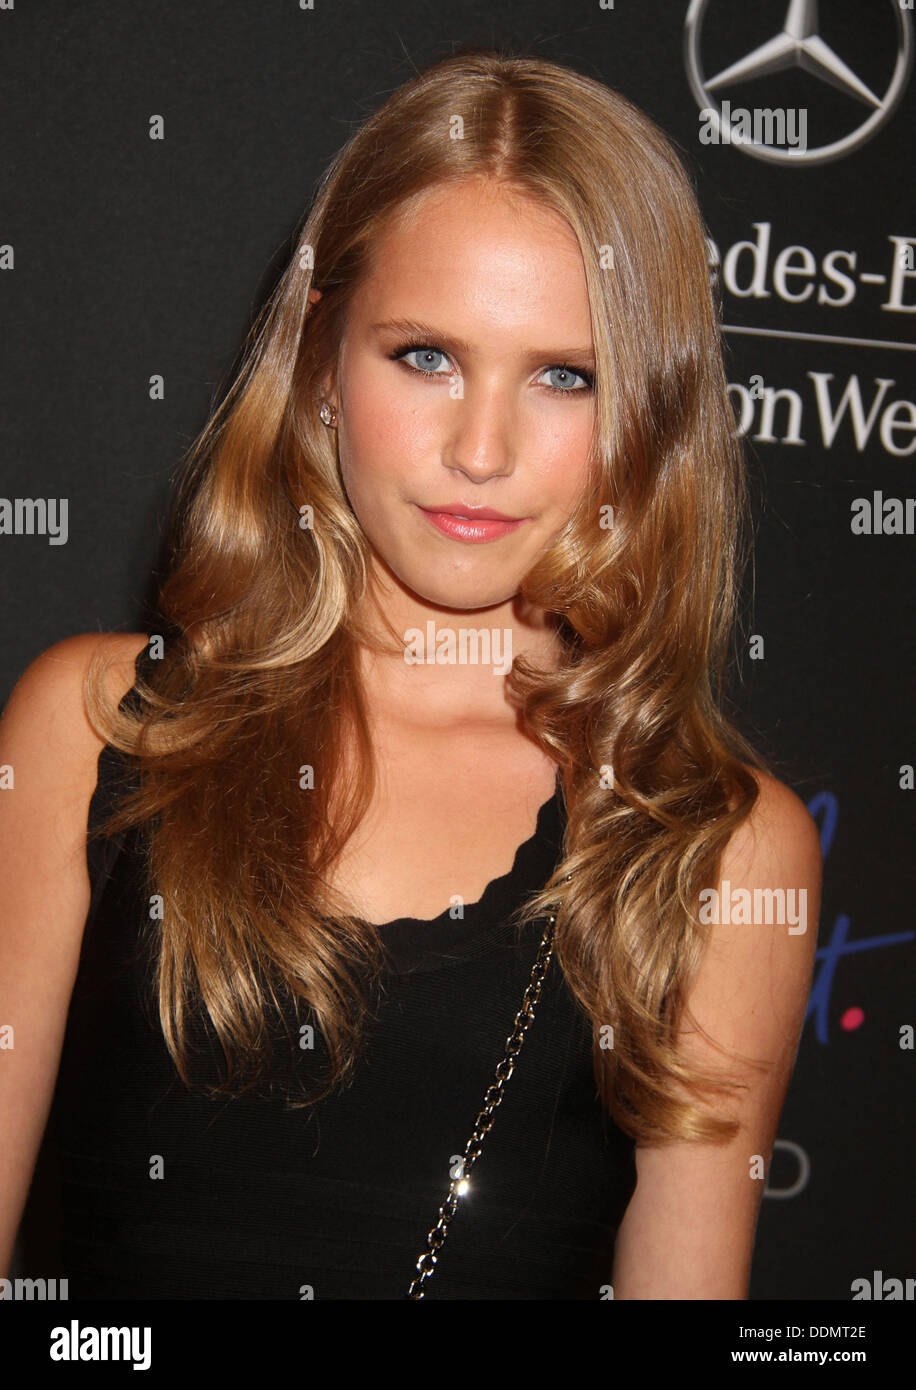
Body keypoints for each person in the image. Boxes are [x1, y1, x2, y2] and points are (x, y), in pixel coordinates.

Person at [0, 48, 822, 1300]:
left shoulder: (715, 844)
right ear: (321, 364)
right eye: (425, 355)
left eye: (564, 376)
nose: (479, 449)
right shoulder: (94, 727)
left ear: (647, 416)